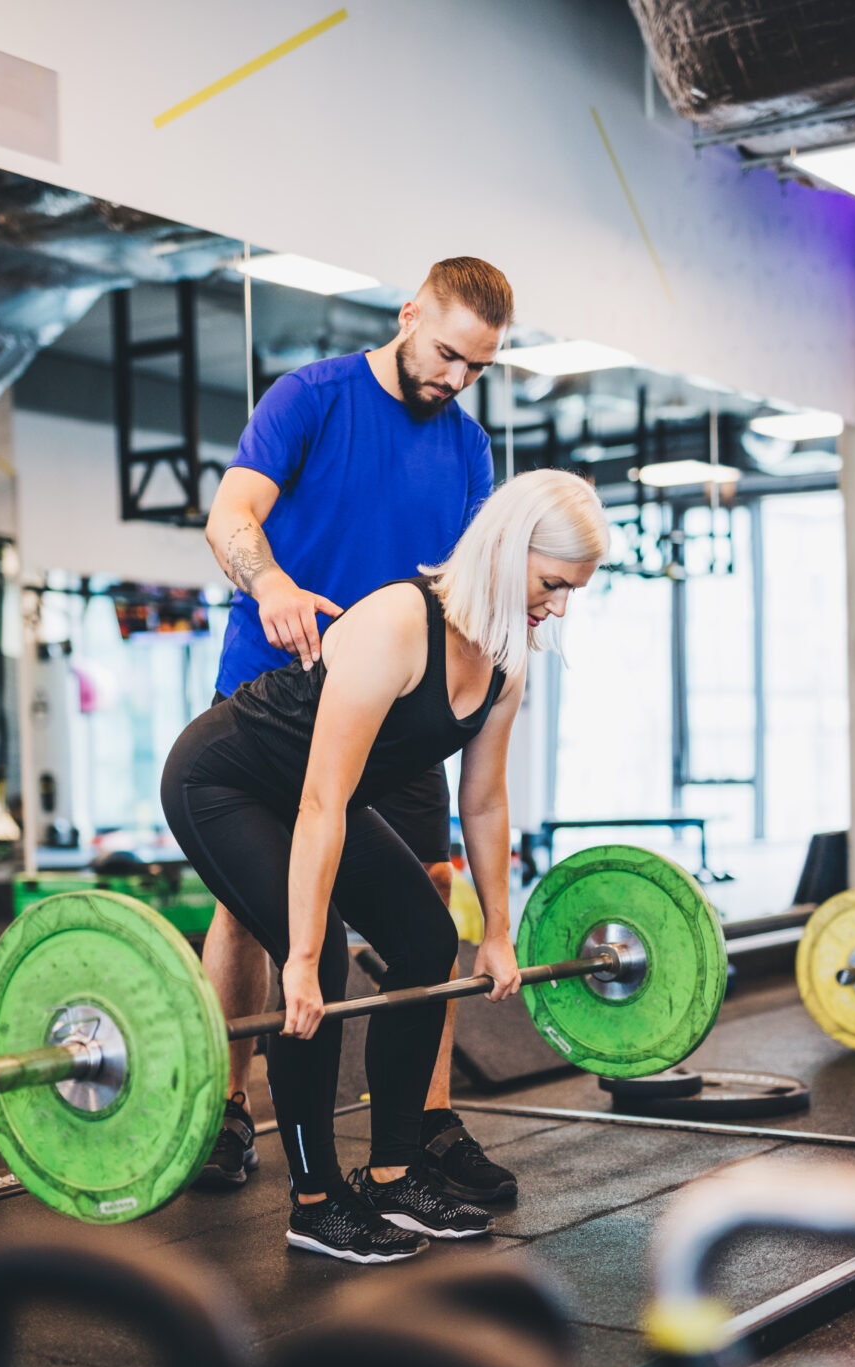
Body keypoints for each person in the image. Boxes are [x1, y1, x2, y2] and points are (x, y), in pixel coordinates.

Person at [162, 468, 609, 1263]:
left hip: (310, 794)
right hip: (226, 782)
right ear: (511, 553)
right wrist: (298, 960)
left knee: (428, 940)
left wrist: (499, 932)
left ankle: (396, 1174)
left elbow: (485, 802)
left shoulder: (508, 655)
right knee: (322, 958)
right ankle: (313, 1200)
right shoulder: (401, 623)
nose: (560, 605)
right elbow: (320, 804)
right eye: (552, 583)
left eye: (573, 590)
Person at [198, 256, 520, 1203]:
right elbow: (232, 515)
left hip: (400, 709)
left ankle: (425, 1120)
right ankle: (226, 1107)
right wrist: (272, 583)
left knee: (429, 907)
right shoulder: (313, 397)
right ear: (409, 312)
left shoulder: (466, 448)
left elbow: (467, 588)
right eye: (448, 355)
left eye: (478, 369)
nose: (456, 380)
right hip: (278, 699)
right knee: (255, 916)